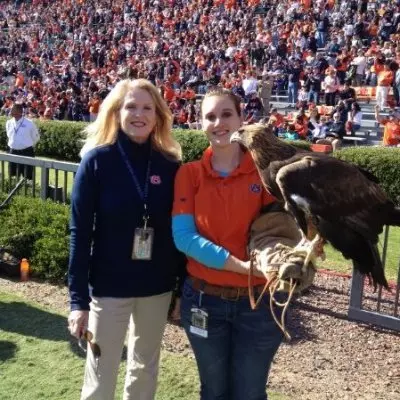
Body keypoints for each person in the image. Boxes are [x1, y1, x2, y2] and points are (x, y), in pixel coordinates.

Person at [171, 88, 312, 400]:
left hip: (259, 304)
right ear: (199, 123)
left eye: (226, 114)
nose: (218, 122)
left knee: (249, 393)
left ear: (241, 120)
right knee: (214, 391)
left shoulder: (268, 176)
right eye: (210, 116)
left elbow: (282, 230)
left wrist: (299, 251)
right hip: (203, 300)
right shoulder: (188, 173)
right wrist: (240, 266)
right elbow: (183, 238)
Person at [67, 78, 185, 400]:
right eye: (131, 106)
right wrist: (78, 301)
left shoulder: (171, 166)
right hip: (109, 289)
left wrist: (182, 287)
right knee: (100, 373)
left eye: (148, 107)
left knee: (144, 369)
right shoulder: (96, 162)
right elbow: (79, 233)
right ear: (117, 112)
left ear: (158, 116)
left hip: (156, 288)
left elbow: (180, 232)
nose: (139, 114)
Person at [6, 103, 40, 180]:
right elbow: (9, 135)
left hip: (27, 152)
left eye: (12, 109)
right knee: (12, 176)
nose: (10, 110)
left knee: (28, 177)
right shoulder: (9, 122)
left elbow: (36, 137)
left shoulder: (29, 123)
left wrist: (27, 145)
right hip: (12, 152)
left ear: (19, 111)